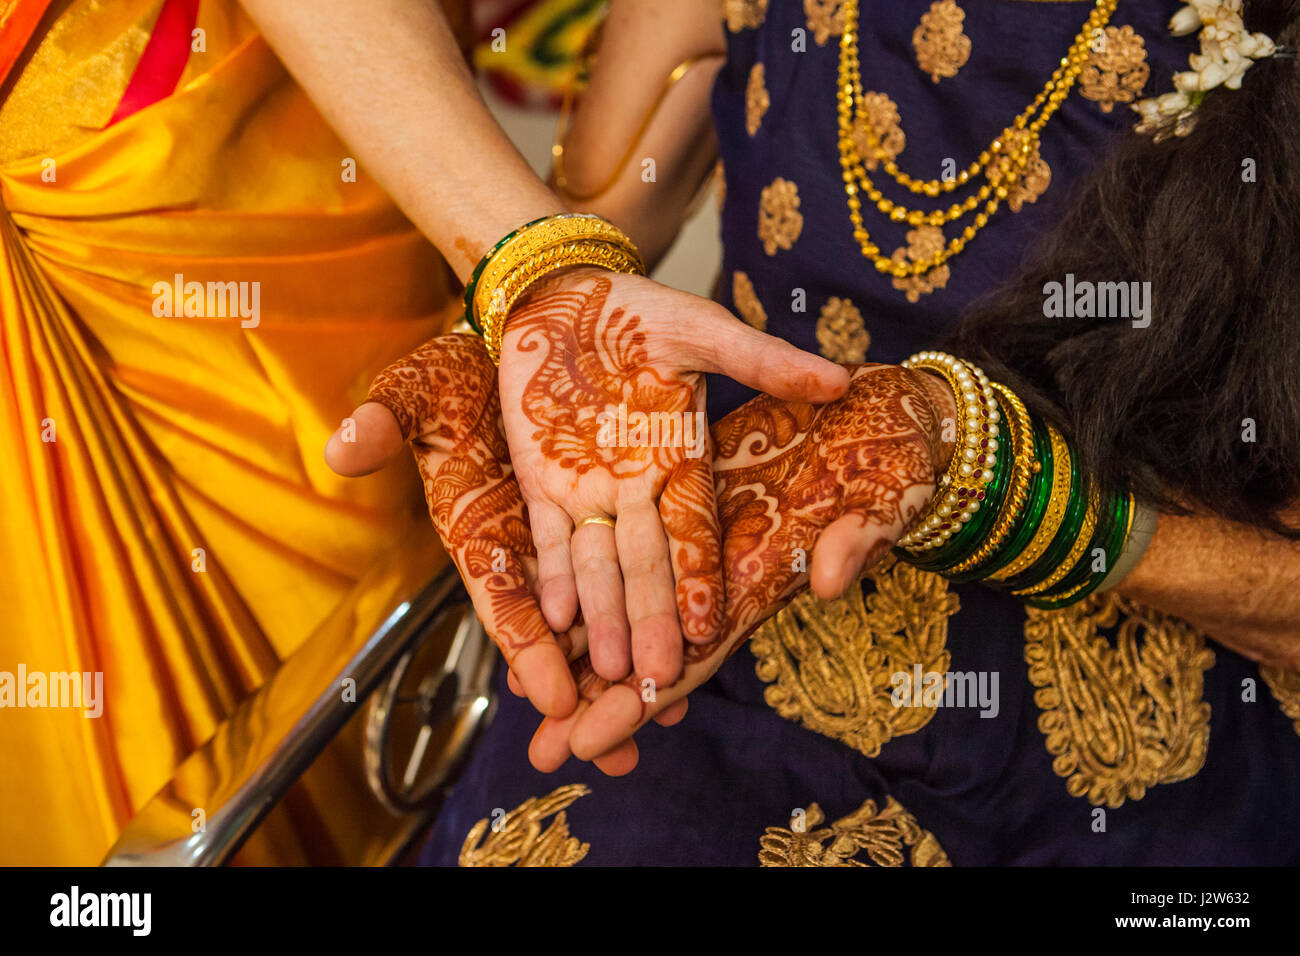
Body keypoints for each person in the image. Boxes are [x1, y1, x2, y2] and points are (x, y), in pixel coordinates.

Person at [333, 0, 1300, 866]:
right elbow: (596, 215)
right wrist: (518, 322)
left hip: (1135, 701)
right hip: (707, 577)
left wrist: (988, 476)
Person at [0, 0, 834, 864]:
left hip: (289, 183)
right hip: (191, 159)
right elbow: (596, 210)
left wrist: (544, 287)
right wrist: (539, 288)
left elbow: (612, 190)